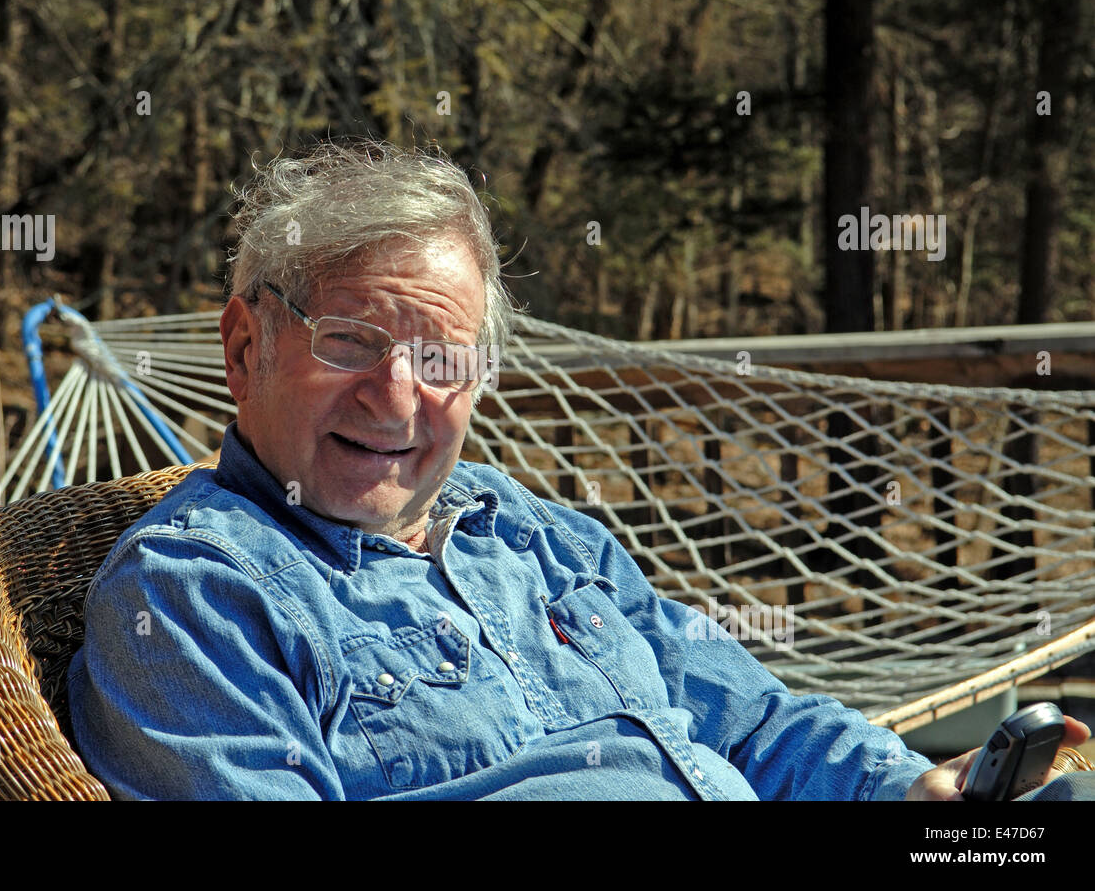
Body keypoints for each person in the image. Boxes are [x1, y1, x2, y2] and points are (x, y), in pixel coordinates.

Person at [67, 138, 1090, 800]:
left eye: (441, 359)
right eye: (346, 342)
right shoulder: (195, 593)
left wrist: (908, 789)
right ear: (243, 348)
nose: (395, 396)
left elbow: (756, 721)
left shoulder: (537, 536)